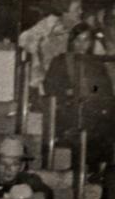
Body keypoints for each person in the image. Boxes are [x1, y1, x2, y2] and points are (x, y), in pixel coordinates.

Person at [43, 22, 115, 177]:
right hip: (68, 112)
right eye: (78, 40)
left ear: (91, 43)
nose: (82, 45)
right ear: (72, 41)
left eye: (86, 40)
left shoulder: (96, 64)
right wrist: (68, 92)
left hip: (93, 113)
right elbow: (50, 87)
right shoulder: (61, 61)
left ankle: (97, 172)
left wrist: (95, 95)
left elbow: (103, 90)